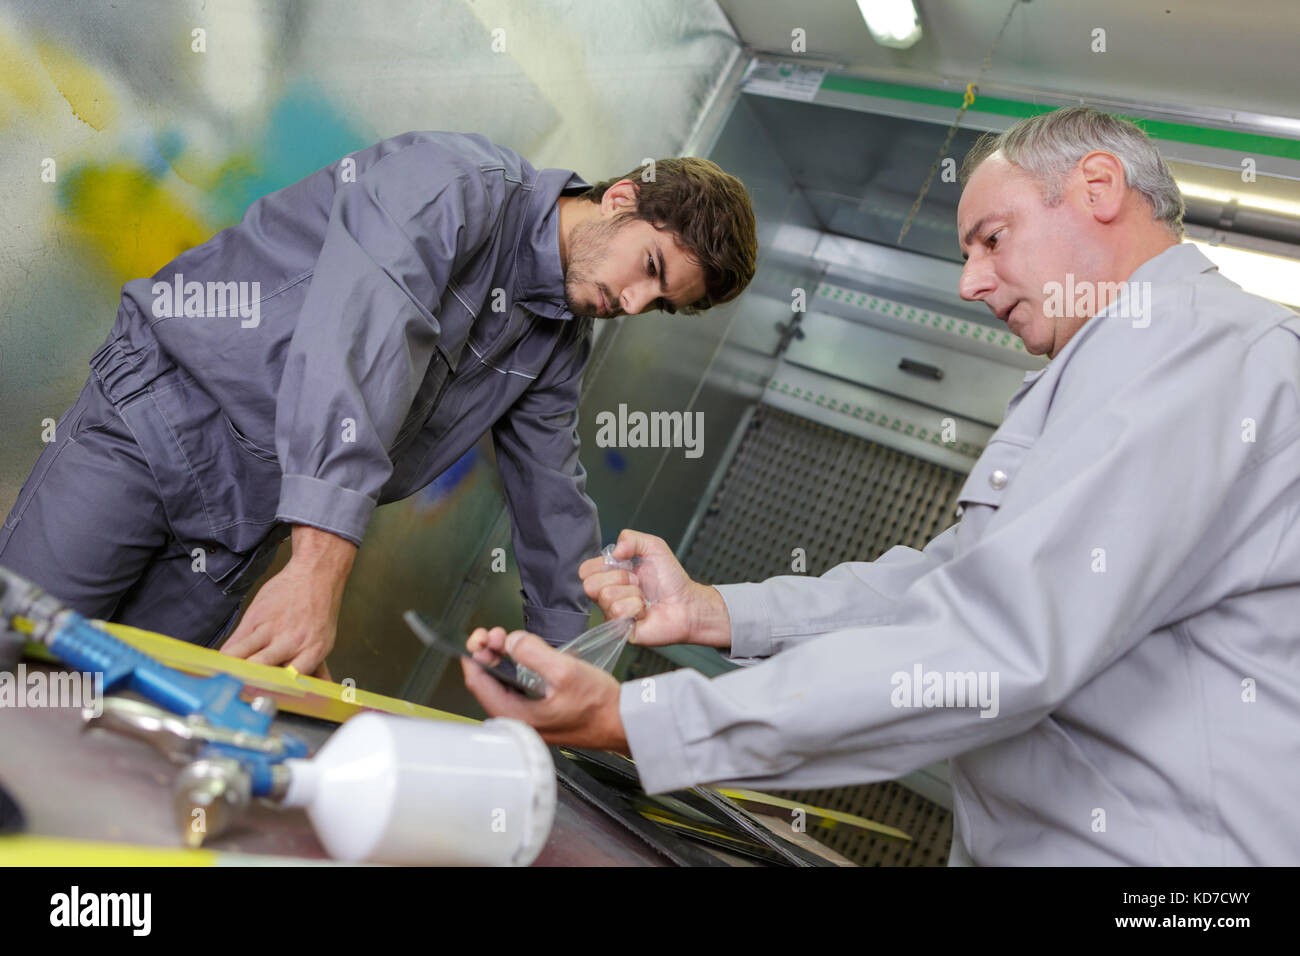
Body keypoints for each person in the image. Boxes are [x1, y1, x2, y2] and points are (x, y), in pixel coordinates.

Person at [462, 107, 1300, 865]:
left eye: (992, 239)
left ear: (1098, 187)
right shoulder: (1126, 366)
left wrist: (640, 724)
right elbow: (944, 587)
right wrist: (719, 612)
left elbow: (995, 646)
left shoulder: (1195, 352)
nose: (970, 283)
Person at [0, 131, 757, 677]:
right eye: (648, 268)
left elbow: (550, 490)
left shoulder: (557, 339)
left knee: (122, 711)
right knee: (17, 657)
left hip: (247, 522)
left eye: (658, 302)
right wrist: (318, 573)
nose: (631, 301)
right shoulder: (452, 184)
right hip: (160, 425)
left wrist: (567, 664)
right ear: (619, 199)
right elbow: (356, 346)